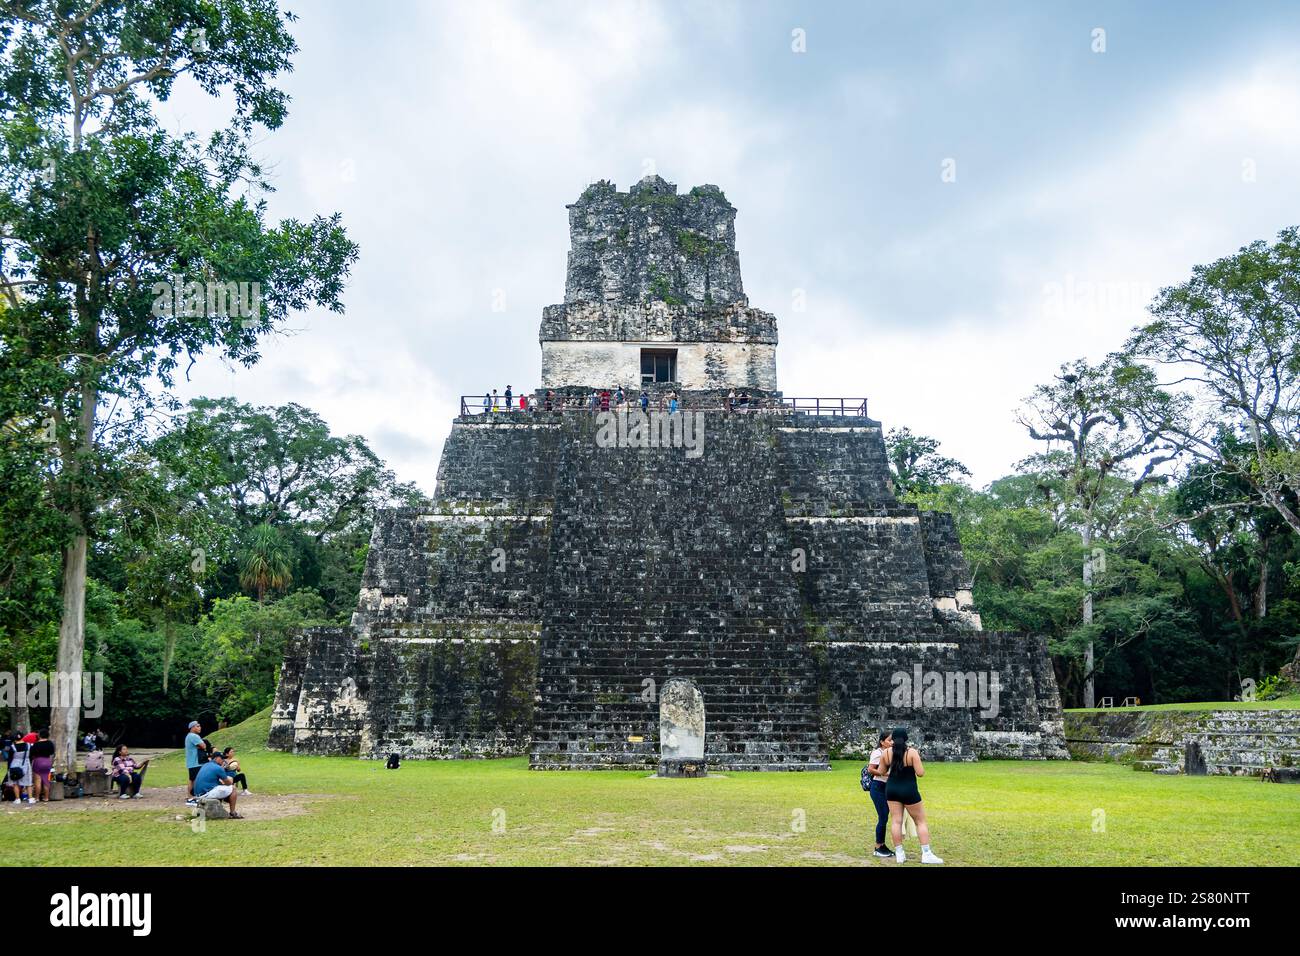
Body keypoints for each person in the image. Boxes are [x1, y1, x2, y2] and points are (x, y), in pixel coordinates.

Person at [879, 728, 943, 864]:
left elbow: (881, 771)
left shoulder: (886, 753)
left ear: (892, 740)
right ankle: (926, 853)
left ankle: (899, 854)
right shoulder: (911, 752)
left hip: (891, 789)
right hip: (909, 789)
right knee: (920, 821)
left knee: (896, 821)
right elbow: (920, 773)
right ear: (906, 738)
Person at [866, 731, 893, 858]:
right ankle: (878, 847)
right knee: (883, 817)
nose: (891, 742)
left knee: (885, 816)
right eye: (889, 740)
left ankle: (882, 845)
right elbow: (870, 769)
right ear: (882, 742)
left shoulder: (890, 752)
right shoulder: (878, 753)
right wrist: (884, 774)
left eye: (892, 740)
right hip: (878, 787)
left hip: (887, 787)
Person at [191, 753, 241, 818]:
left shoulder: (205, 765)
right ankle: (232, 812)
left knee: (219, 788)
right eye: (221, 758)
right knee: (233, 788)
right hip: (206, 794)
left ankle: (218, 808)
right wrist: (229, 777)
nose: (223, 760)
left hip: (197, 794)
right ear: (216, 758)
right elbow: (228, 783)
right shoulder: (218, 768)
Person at [7, 733, 33, 805]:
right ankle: (30, 798)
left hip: (14, 764)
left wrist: (8, 769)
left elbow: (9, 759)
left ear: (15, 739)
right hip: (26, 764)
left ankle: (18, 799)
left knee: (15, 783)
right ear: (23, 737)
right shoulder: (28, 745)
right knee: (28, 782)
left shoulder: (12, 747)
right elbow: (31, 756)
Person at [29, 730, 54, 802]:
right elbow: (52, 752)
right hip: (47, 761)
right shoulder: (50, 743)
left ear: (40, 735)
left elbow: (31, 754)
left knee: (38, 781)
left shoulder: (36, 744)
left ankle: (37, 798)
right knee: (46, 780)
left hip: (38, 761)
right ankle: (46, 797)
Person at [184, 720, 207, 797]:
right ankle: (191, 797)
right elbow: (204, 746)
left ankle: (190, 796)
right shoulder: (194, 736)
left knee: (192, 779)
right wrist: (201, 745)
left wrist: (200, 746)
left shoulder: (189, 736)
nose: (200, 728)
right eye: (198, 726)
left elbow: (200, 746)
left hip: (192, 762)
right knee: (194, 780)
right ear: (192, 728)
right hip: (196, 762)